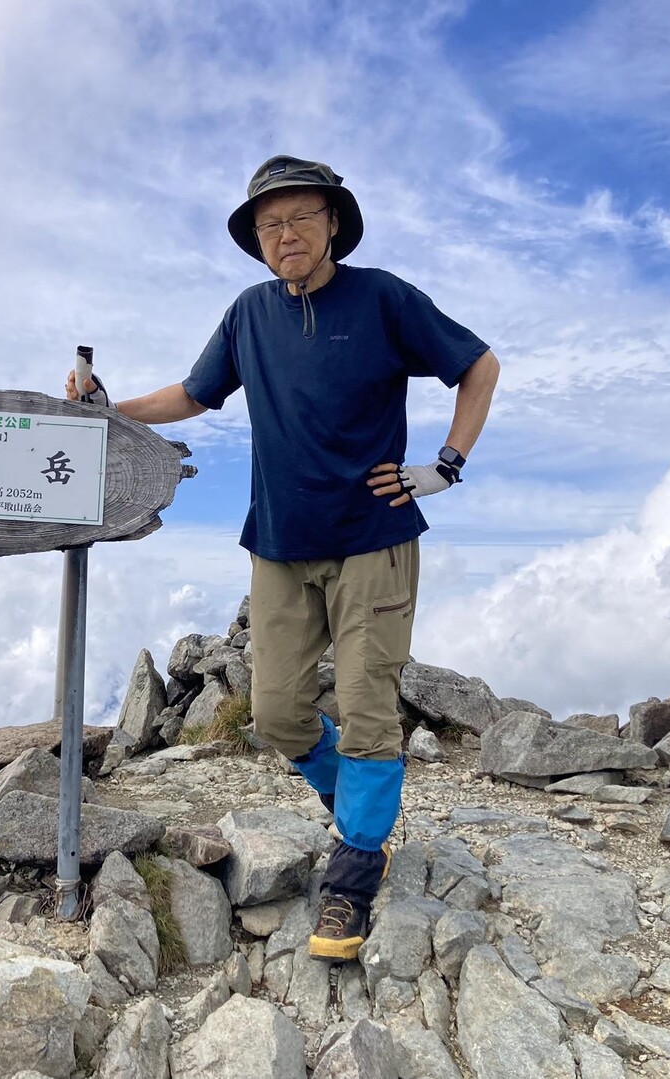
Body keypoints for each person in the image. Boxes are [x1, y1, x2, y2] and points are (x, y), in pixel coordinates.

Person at [67, 155, 499, 961]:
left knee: (369, 708)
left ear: (333, 221)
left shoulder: (382, 297)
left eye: (300, 217)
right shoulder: (248, 313)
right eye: (268, 224)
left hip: (374, 533)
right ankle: (360, 816)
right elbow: (194, 394)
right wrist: (107, 410)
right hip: (278, 540)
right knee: (276, 716)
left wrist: (444, 464)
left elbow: (477, 365)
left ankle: (354, 872)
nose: (284, 234)